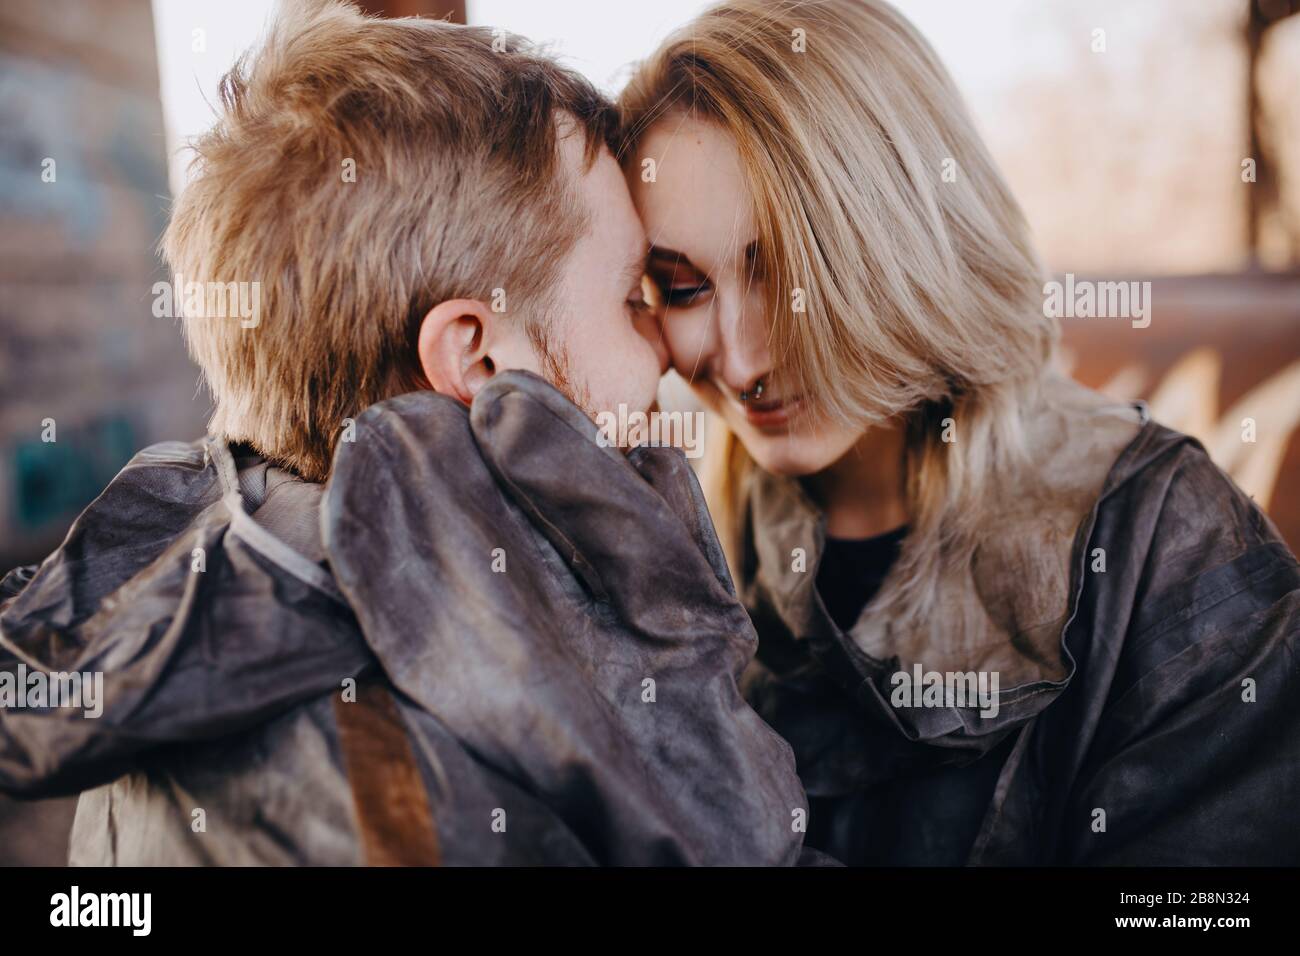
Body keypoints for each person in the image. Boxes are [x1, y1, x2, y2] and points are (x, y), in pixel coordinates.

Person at [0, 0, 806, 866]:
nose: (664, 346)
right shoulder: (409, 797)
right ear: (477, 357)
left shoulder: (229, 591)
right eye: (628, 298)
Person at [620, 0, 1300, 865]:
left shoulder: (1167, 539)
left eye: (789, 272)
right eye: (681, 287)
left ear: (908, 243)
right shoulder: (676, 544)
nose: (745, 358)